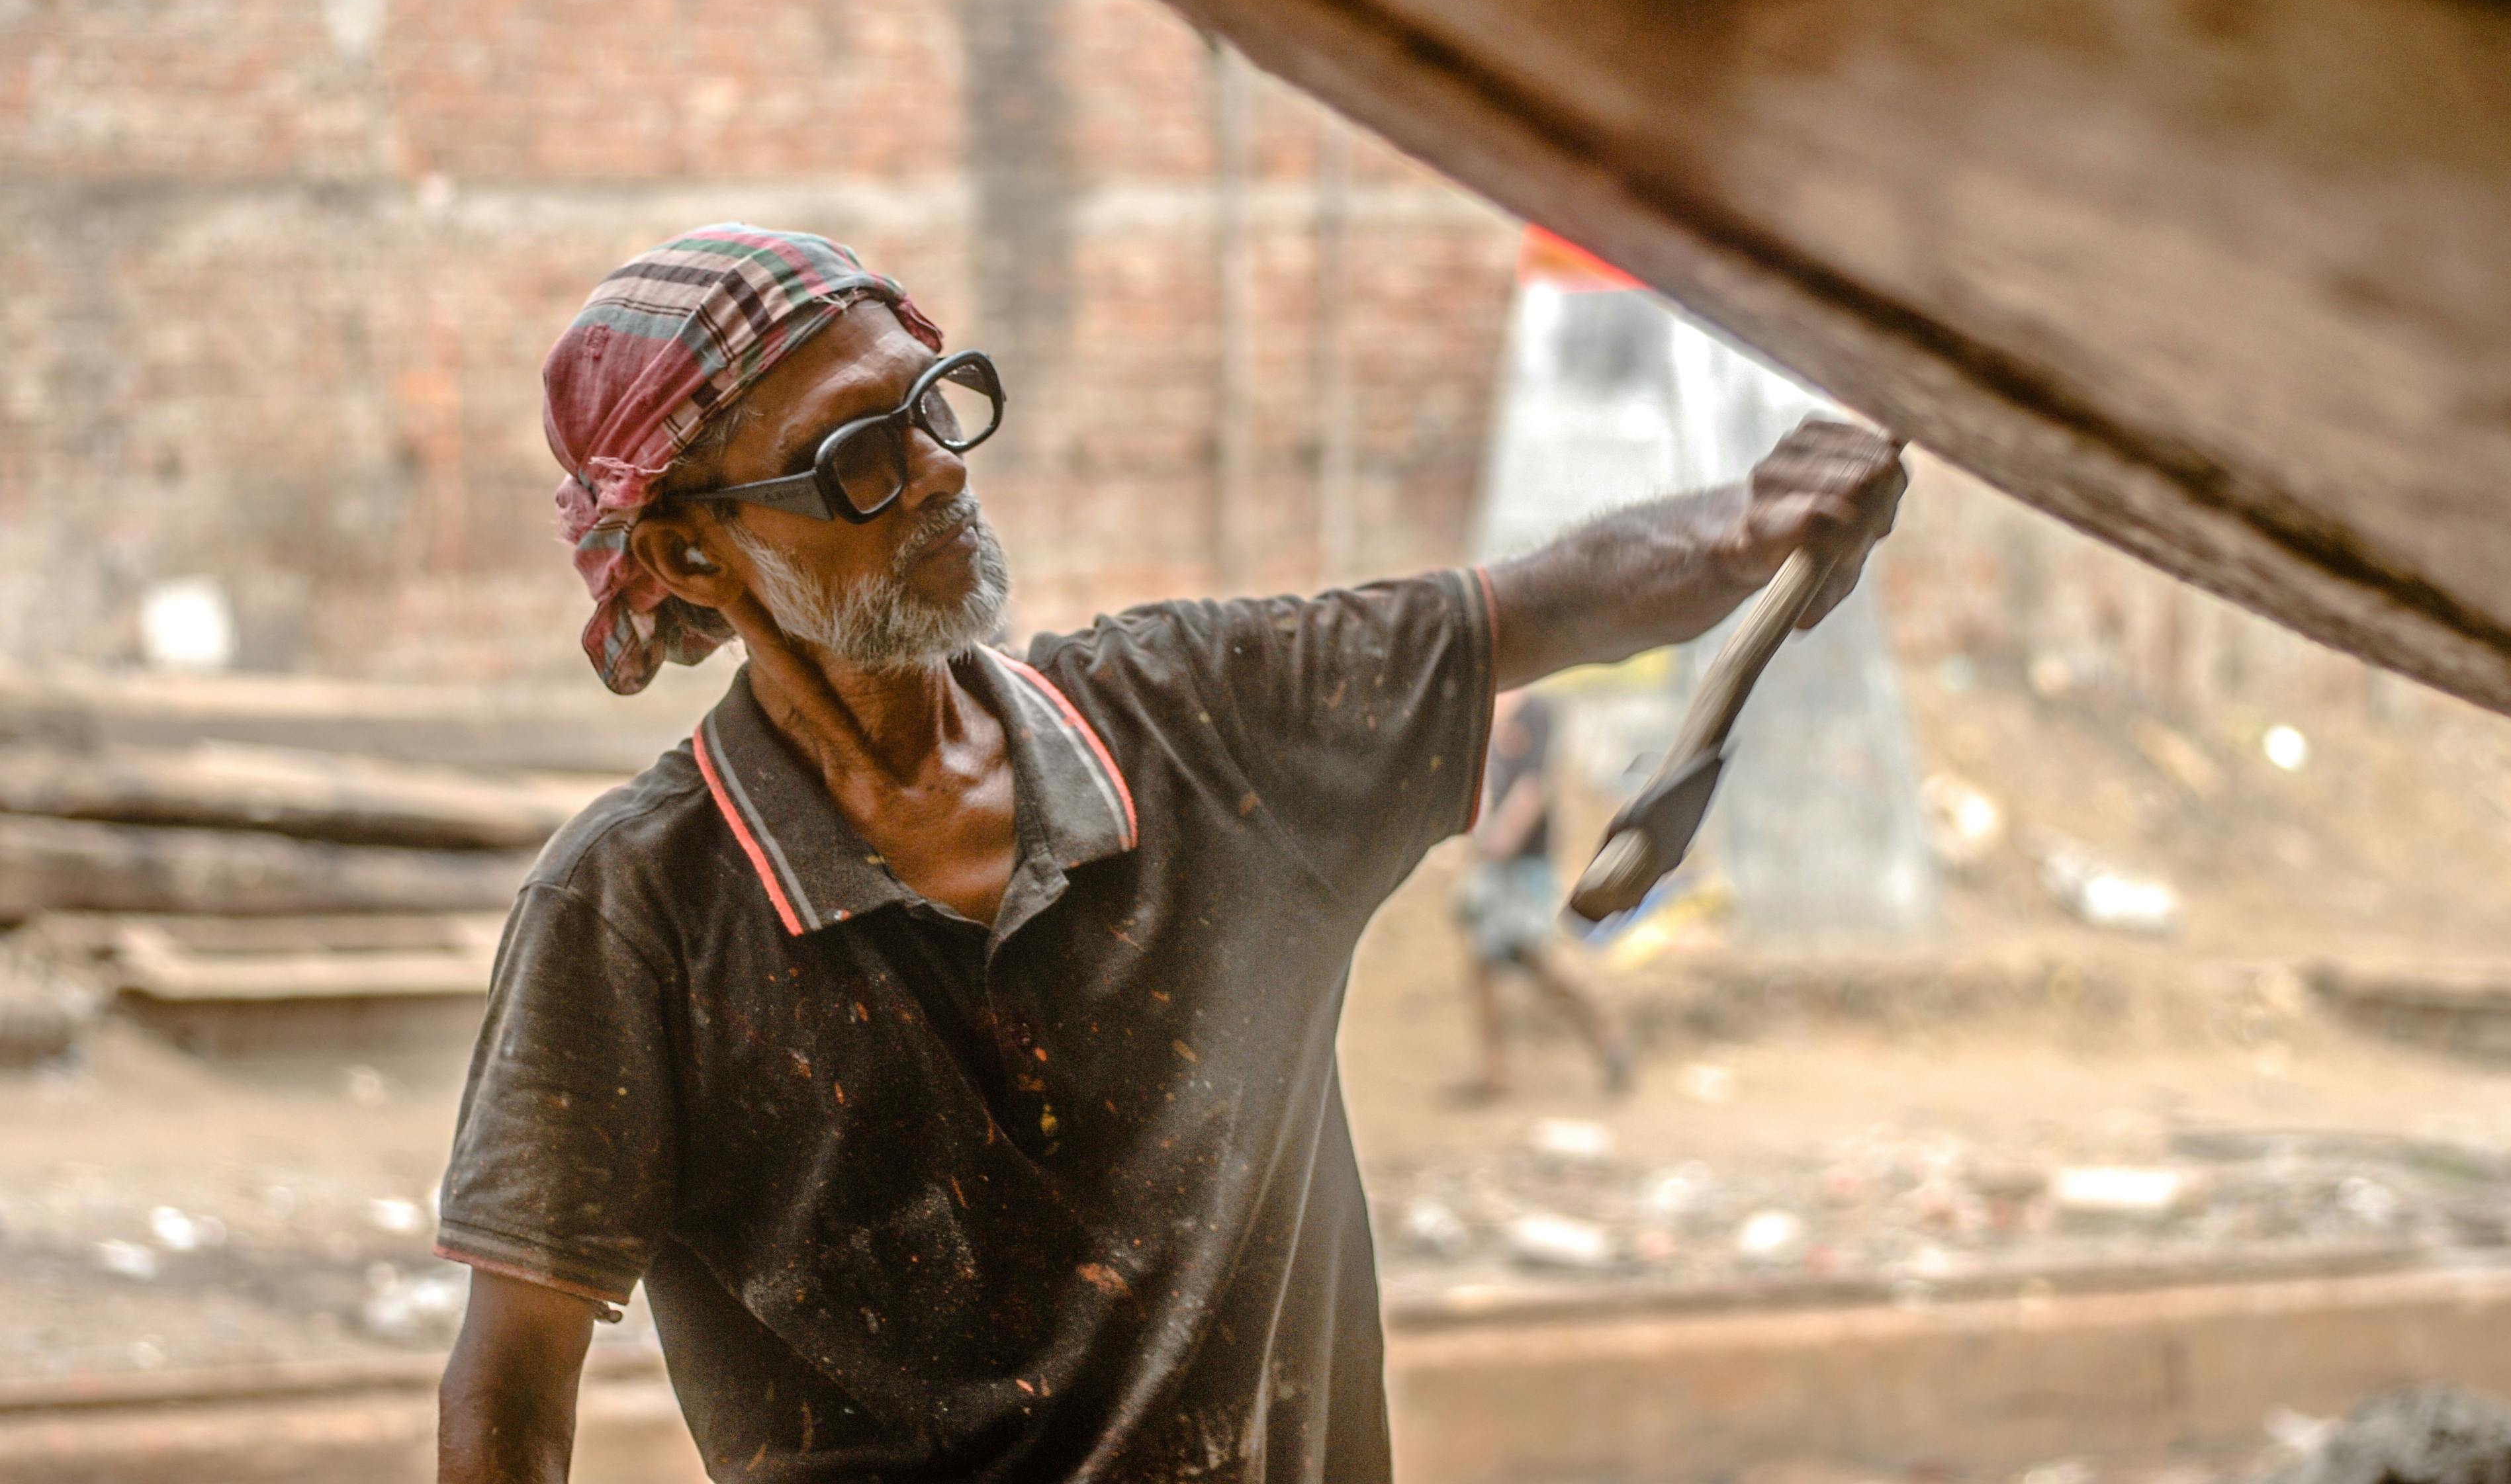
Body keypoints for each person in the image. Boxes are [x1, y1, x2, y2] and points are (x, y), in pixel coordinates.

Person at [434, 223, 1905, 1484]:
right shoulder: (635, 914)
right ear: (691, 555)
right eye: (855, 458)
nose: (936, 472)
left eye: (935, 406)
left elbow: (1532, 608)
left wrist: (1748, 527)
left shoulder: (1205, 727)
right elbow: (509, 1388)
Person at [1453, 688, 1631, 1098]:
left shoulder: (1534, 712)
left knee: (1540, 958)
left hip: (1523, 863)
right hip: (1493, 863)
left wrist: (1502, 837)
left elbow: (1533, 787)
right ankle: (1494, 1072)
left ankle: (1609, 1033)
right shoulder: (1487, 706)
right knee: (1479, 962)